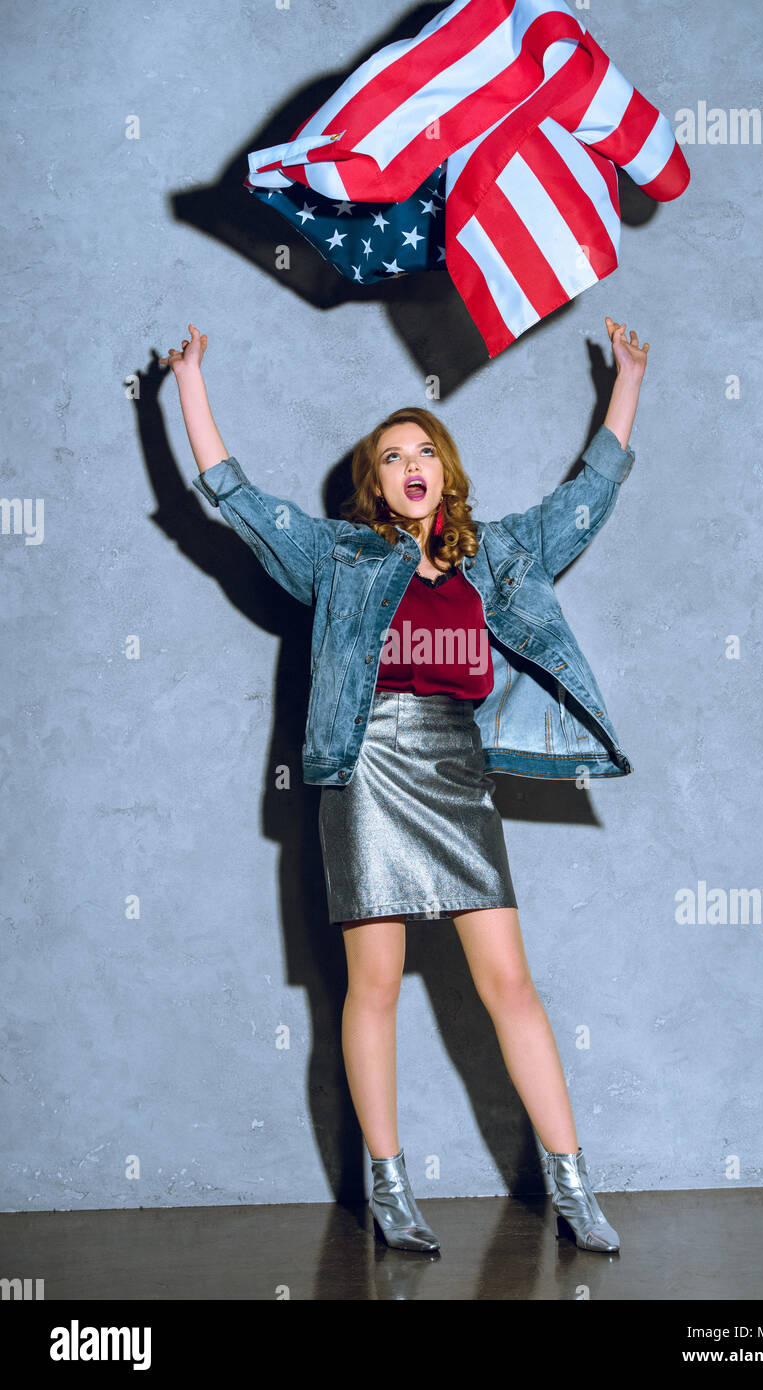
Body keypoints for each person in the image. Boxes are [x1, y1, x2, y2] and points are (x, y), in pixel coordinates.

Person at [160, 316, 648, 1255]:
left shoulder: (493, 557)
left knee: (511, 982)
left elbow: (589, 494)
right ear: (374, 484)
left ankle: (574, 1185)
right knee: (371, 987)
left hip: (457, 773)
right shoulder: (338, 557)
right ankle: (389, 1189)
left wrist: (627, 378)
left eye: (425, 449)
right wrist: (188, 384)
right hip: (368, 771)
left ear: (445, 472)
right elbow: (239, 499)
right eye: (393, 456)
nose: (412, 463)